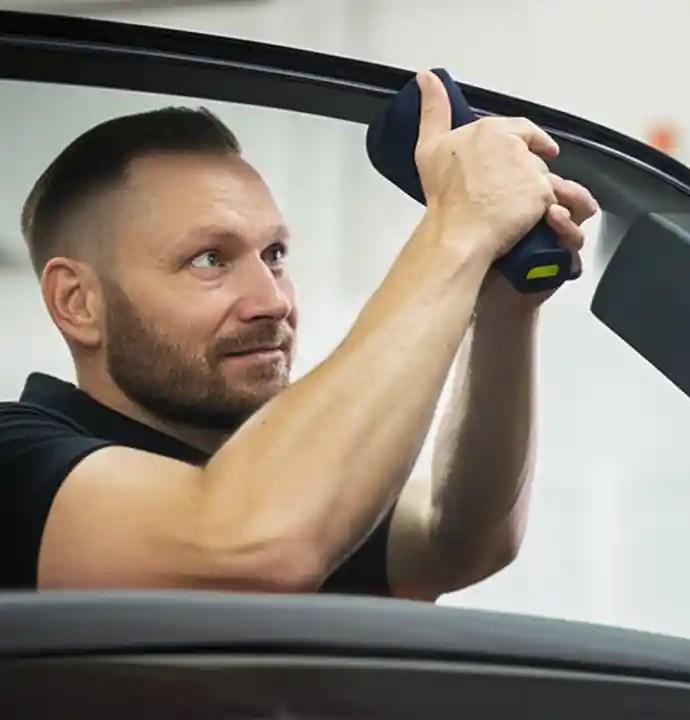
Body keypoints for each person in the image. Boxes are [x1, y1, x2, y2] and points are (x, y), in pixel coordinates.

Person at [0, 71, 598, 600]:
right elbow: (250, 546)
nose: (273, 301)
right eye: (209, 260)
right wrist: (458, 231)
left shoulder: (294, 478)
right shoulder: (18, 457)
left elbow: (459, 541)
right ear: (77, 302)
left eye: (275, 254)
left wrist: (503, 310)